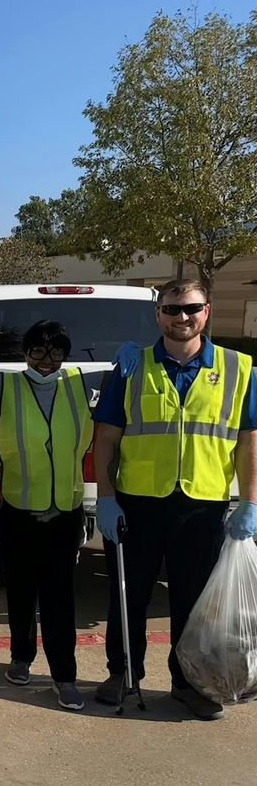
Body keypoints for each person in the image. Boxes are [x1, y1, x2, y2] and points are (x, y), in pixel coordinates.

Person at [93, 279, 257, 721]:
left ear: (207, 311)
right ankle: (122, 674)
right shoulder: (131, 366)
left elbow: (248, 442)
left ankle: (189, 683)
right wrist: (106, 498)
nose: (181, 318)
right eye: (171, 309)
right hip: (137, 504)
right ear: (157, 314)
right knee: (129, 596)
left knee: (193, 600)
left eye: (191, 308)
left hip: (203, 506)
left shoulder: (240, 369)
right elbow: (106, 439)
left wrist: (251, 502)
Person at [0, 320, 93, 711]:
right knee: (20, 591)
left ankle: (64, 676)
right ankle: (20, 657)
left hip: (65, 510)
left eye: (56, 352)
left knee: (59, 598)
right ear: (24, 353)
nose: (46, 361)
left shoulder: (81, 384)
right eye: (37, 351)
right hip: (18, 507)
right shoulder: (4, 386)